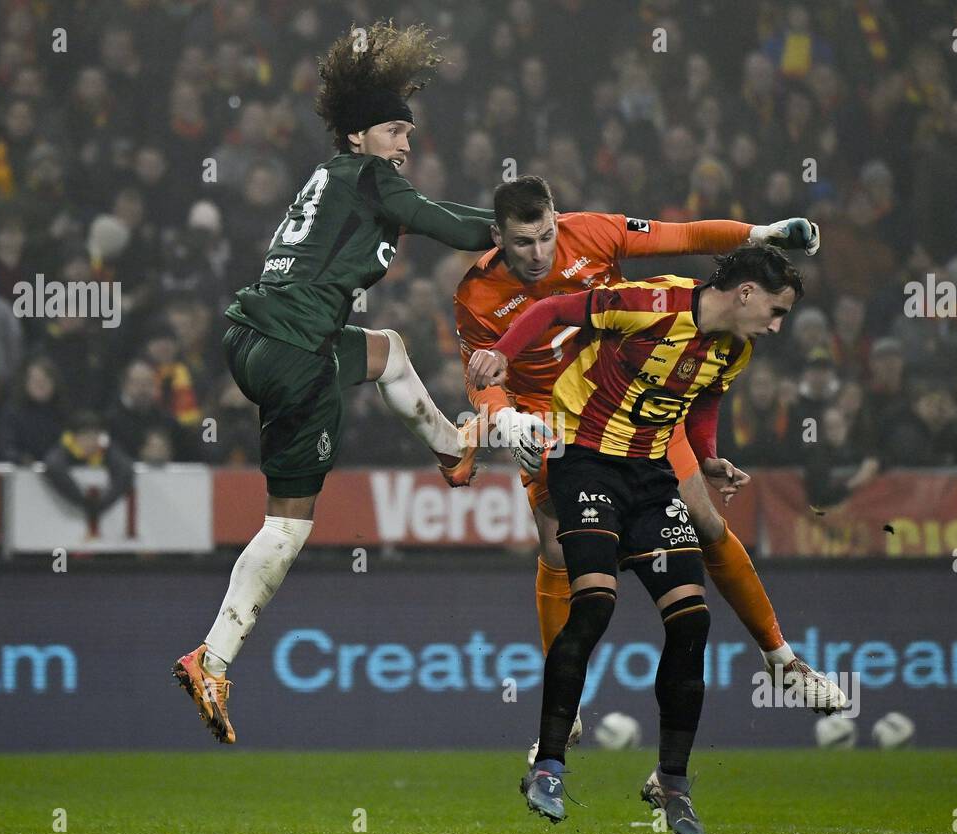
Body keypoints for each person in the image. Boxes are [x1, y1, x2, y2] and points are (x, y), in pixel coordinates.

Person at [174, 21, 497, 745]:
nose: (404, 145)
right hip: (296, 350)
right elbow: (445, 221)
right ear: (357, 136)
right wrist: (530, 225)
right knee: (288, 526)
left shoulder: (328, 177)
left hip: (253, 338)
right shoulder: (371, 177)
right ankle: (213, 658)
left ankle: (453, 451)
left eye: (408, 133)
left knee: (386, 351)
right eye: (392, 130)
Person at [454, 176, 839, 765]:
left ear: (559, 220)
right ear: (497, 237)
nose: (538, 254)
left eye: (546, 236)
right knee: (557, 549)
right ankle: (568, 711)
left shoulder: (595, 233)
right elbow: (482, 375)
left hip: (642, 397)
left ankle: (783, 660)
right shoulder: (477, 295)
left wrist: (761, 233)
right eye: (522, 243)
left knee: (708, 524)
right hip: (551, 417)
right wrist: (503, 423)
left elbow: (682, 236)